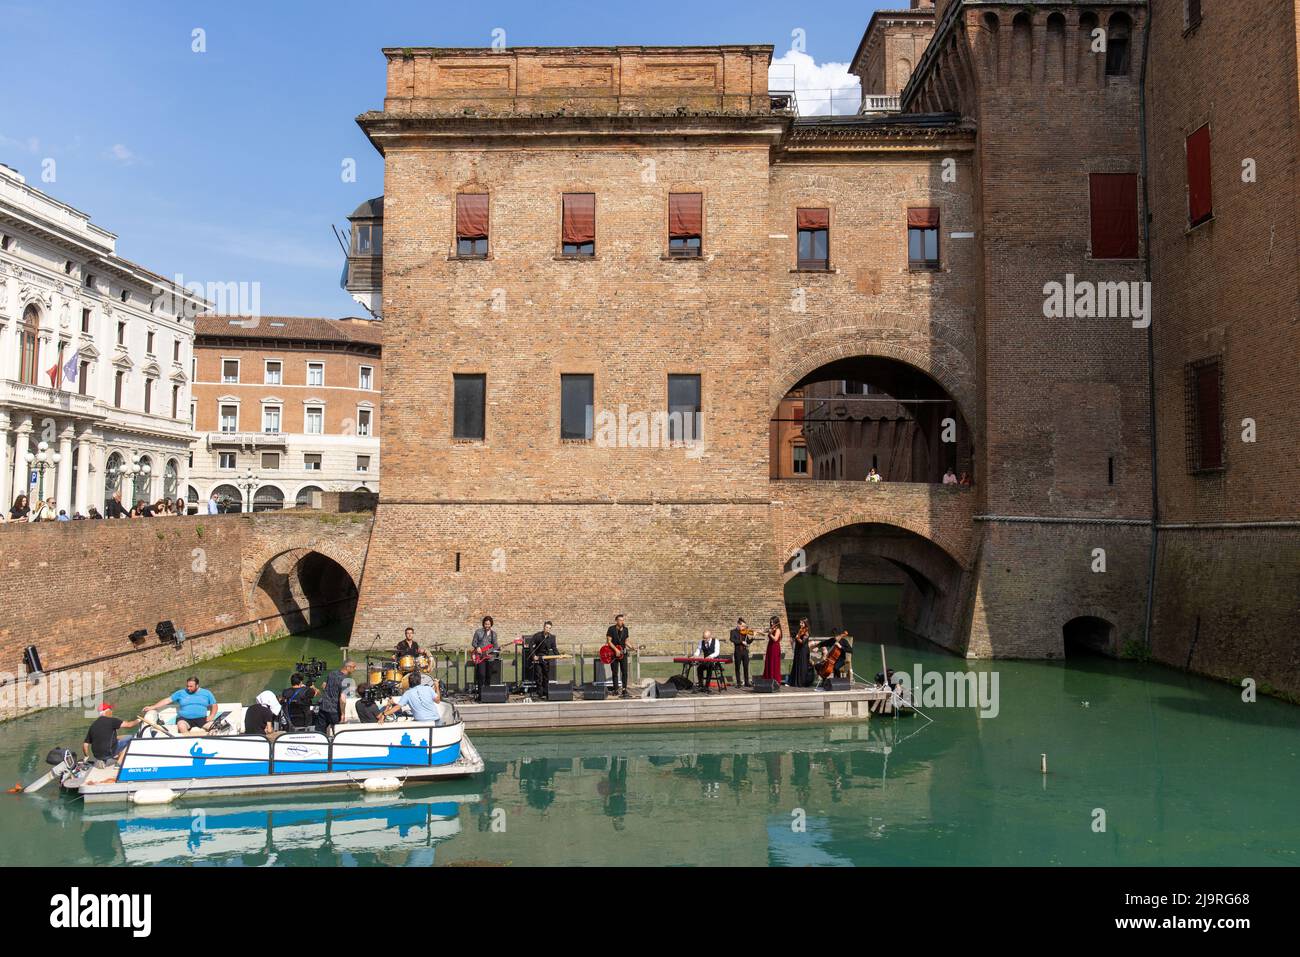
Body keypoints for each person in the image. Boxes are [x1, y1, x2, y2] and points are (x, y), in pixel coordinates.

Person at [148, 676, 217, 733]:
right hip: (184, 719)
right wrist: (153, 707)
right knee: (181, 726)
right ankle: (188, 742)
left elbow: (214, 705)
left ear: (197, 685)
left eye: (191, 686)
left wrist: (212, 715)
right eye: (187, 686)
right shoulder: (181, 692)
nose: (188, 688)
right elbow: (167, 700)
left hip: (201, 718)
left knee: (214, 728)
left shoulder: (207, 693)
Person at [83, 702, 140, 767]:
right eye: (110, 710)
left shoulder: (93, 725)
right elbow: (129, 725)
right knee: (131, 739)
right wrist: (139, 720)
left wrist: (86, 756)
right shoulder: (112, 721)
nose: (112, 712)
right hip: (109, 753)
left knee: (121, 739)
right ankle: (118, 763)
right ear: (106, 712)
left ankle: (102, 760)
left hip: (97, 756)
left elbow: (85, 745)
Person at [316, 660, 356, 732]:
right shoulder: (346, 680)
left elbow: (324, 685)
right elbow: (342, 699)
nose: (355, 669)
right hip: (334, 710)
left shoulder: (332, 673)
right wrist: (343, 714)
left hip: (323, 706)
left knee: (320, 731)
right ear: (348, 667)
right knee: (338, 732)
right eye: (354, 667)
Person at [604, 613, 635, 698]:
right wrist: (616, 649)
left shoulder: (625, 629)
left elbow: (626, 641)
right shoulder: (611, 629)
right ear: (616, 621)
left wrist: (632, 647)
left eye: (623, 620)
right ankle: (615, 689)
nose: (622, 621)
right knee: (615, 672)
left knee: (624, 672)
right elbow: (609, 641)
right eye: (620, 620)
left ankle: (624, 689)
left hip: (623, 654)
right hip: (613, 654)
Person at [471, 616, 498, 699]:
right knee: (481, 675)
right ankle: (480, 695)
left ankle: (487, 694)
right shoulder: (478, 632)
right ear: (483, 624)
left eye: (489, 624)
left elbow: (495, 646)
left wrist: (491, 650)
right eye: (486, 624)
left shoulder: (494, 634)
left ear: (491, 624)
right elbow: (473, 642)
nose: (487, 626)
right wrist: (477, 647)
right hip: (480, 657)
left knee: (488, 676)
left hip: (490, 657)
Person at [529, 621, 558, 697]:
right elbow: (530, 645)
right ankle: (540, 693)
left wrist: (559, 655)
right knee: (539, 676)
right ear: (544, 627)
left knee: (546, 676)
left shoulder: (552, 638)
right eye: (546, 627)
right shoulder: (538, 635)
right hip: (538, 658)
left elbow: (554, 648)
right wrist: (533, 656)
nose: (547, 629)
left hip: (546, 659)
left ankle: (546, 692)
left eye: (549, 628)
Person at [728, 617, 754, 688]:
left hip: (745, 652)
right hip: (738, 651)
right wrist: (741, 642)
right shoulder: (733, 631)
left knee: (746, 667)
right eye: (742, 626)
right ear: (738, 625)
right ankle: (739, 683)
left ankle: (746, 682)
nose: (744, 627)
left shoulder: (745, 632)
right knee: (737, 667)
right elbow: (732, 639)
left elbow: (748, 641)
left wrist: (752, 638)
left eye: (744, 626)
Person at [788, 617, 813, 688]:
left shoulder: (806, 632)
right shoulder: (801, 630)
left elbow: (803, 642)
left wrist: (797, 638)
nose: (800, 624)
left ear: (805, 623)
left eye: (802, 623)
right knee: (797, 664)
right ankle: (795, 681)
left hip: (803, 650)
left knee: (802, 666)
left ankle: (801, 682)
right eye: (800, 623)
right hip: (798, 650)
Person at [761, 615, 783, 685]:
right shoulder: (772, 628)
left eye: (773, 622)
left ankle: (775, 680)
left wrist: (770, 634)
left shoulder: (778, 630)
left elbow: (775, 639)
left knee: (774, 663)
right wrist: (757, 632)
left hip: (775, 647)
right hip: (770, 647)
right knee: (769, 662)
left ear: (776, 622)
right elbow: (763, 632)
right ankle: (768, 679)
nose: (771, 624)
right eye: (770, 622)